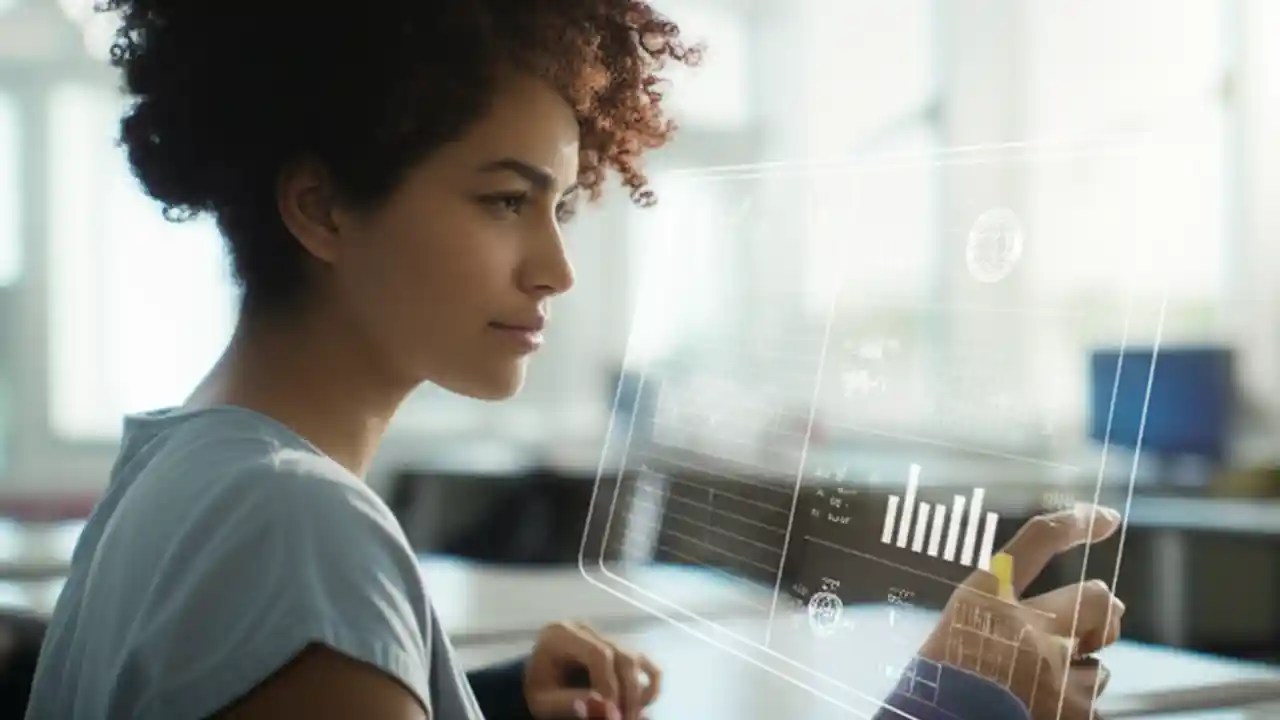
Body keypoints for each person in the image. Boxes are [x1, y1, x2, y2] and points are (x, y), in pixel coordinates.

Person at [22, 0, 1126, 718]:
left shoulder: (179, 470)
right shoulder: (296, 530)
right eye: (504, 201)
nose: (555, 269)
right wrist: (955, 700)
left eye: (556, 207)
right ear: (320, 207)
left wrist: (479, 699)